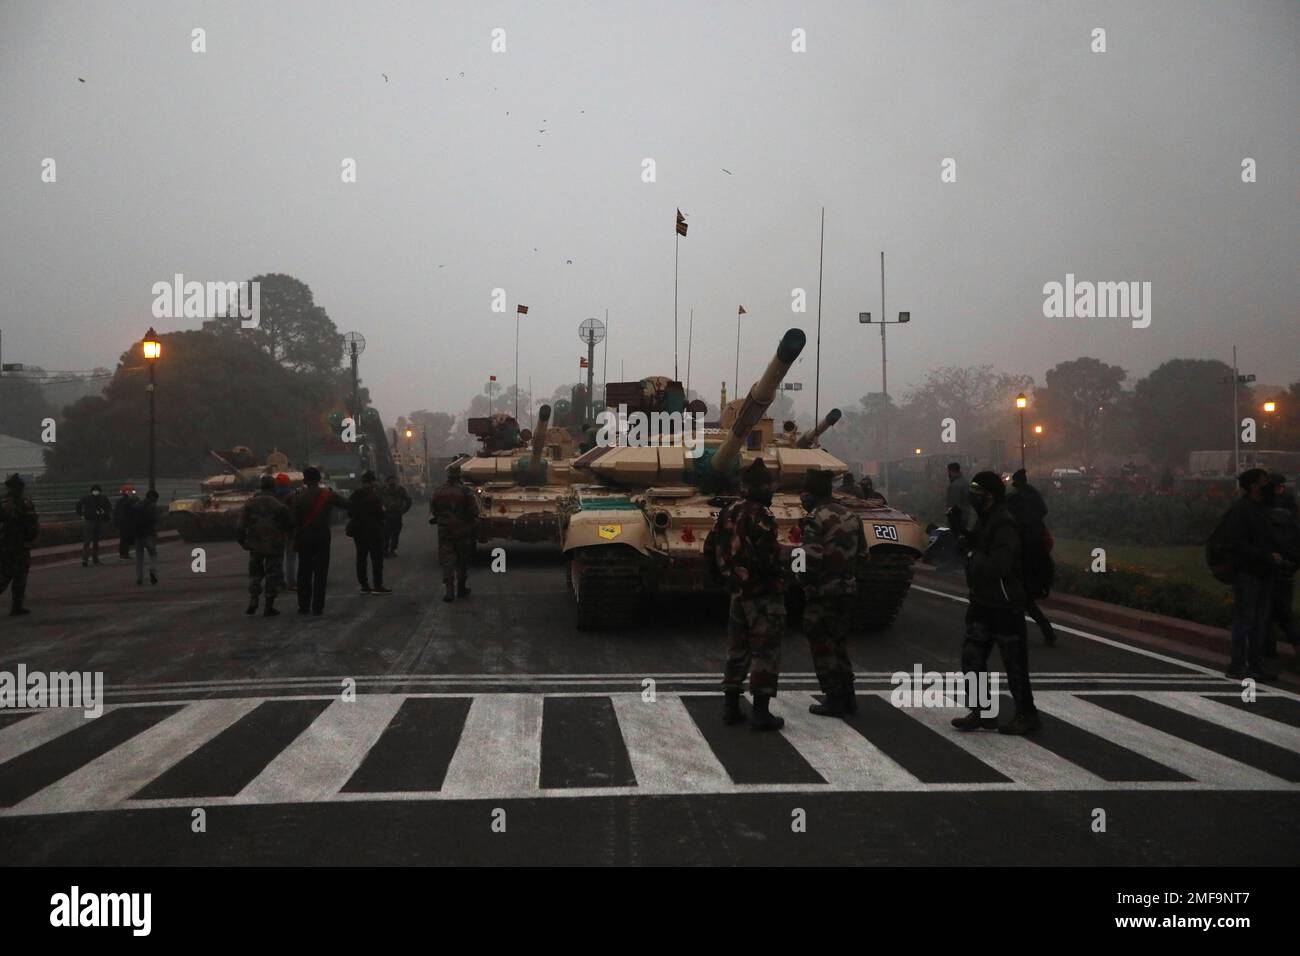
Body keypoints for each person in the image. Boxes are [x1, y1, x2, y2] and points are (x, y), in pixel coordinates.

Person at [952, 471, 1040, 735]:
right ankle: (982, 712)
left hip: (1005, 604)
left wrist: (970, 553)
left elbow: (997, 566)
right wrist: (960, 533)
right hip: (983, 601)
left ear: (989, 496)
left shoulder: (1004, 524)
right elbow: (980, 547)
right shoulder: (987, 520)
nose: (973, 498)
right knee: (972, 657)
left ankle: (1027, 714)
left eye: (977, 493)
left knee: (1014, 663)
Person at [716, 458, 786, 731]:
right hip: (762, 593)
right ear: (760, 485)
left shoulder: (728, 510)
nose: (772, 489)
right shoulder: (762, 516)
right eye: (769, 484)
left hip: (737, 591)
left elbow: (713, 546)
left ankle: (731, 707)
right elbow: (768, 558)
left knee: (737, 650)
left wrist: (727, 578)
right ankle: (760, 712)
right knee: (765, 651)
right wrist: (779, 580)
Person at [798, 469, 867, 717]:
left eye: (804, 492)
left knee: (822, 644)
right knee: (839, 642)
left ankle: (834, 698)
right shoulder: (851, 515)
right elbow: (863, 554)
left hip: (822, 591)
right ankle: (849, 696)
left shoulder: (815, 518)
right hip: (847, 588)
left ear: (811, 493)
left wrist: (800, 579)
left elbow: (810, 559)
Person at [1220, 468, 1283, 679]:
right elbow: (1236, 543)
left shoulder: (1262, 508)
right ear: (1254, 486)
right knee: (1245, 620)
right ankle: (1238, 664)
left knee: (1259, 621)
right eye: (1264, 481)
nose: (1269, 485)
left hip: (1264, 571)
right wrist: (1265, 555)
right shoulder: (1241, 510)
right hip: (1247, 572)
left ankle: (1256, 664)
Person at [1006, 468, 1057, 646]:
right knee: (1025, 596)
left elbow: (1005, 518)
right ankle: (1045, 630)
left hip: (1021, 551)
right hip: (1037, 549)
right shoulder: (1035, 497)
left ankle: (1018, 633)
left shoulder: (1013, 499)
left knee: (1018, 595)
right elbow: (1044, 512)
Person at [237, 475, 294, 617]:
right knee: (272, 574)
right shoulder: (278, 505)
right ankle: (269, 606)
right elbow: (289, 524)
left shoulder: (249, 503)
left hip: (255, 544)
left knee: (255, 574)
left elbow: (240, 525)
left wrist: (242, 541)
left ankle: (253, 599)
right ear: (273, 487)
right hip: (274, 544)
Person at [291, 467, 345, 615]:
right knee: (321, 572)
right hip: (322, 535)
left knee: (304, 572)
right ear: (319, 479)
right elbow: (345, 504)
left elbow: (293, 519)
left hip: (304, 536)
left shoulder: (298, 496)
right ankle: (318, 606)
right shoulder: (327, 494)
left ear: (304, 480)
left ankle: (303, 605)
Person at [429, 463, 479, 602]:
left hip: (445, 530)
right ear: (459, 475)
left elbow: (433, 512)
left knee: (447, 561)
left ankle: (449, 592)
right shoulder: (465, 491)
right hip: (462, 530)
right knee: (462, 560)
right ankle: (461, 588)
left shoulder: (438, 491)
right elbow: (474, 511)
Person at [1266, 473, 1299, 658]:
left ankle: (1268, 656)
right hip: (1286, 571)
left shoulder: (1266, 509)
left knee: (1266, 615)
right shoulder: (1290, 512)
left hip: (1270, 569)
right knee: (1285, 613)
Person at [0, 474, 39, 616]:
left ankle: (17, 607)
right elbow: (32, 525)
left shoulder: (3, 503)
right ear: (21, 488)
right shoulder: (25, 503)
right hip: (20, 545)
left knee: (4, 574)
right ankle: (16, 606)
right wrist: (32, 539)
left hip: (4, 545)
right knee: (19, 577)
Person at [346, 471, 390, 594]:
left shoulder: (355, 495)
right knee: (376, 559)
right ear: (371, 482)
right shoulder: (374, 496)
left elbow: (349, 512)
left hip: (358, 531)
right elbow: (381, 514)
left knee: (361, 558)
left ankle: (364, 586)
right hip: (373, 530)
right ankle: (378, 585)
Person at [76, 484, 112, 566]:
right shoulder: (102, 498)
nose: (96, 491)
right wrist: (104, 514)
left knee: (88, 542)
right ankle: (93, 559)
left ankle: (86, 560)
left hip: (91, 521)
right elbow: (109, 508)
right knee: (93, 542)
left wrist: (81, 514)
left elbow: (78, 505)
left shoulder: (87, 498)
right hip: (95, 521)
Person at [273, 473, 297, 591]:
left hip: (276, 530)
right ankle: (291, 583)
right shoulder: (292, 496)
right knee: (291, 558)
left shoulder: (272, 497)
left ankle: (279, 582)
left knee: (278, 558)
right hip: (290, 530)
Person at [132, 490, 160, 586]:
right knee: (153, 553)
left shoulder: (136, 505)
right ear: (154, 498)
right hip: (148, 534)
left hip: (137, 534)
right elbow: (155, 520)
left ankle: (139, 578)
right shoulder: (152, 506)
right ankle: (152, 570)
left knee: (139, 558)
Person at [380, 475, 413, 558]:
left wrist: (403, 510)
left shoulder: (400, 490)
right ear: (387, 482)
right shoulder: (383, 490)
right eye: (390, 481)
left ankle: (392, 550)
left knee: (395, 534)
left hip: (397, 515)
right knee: (386, 535)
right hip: (386, 515)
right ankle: (385, 551)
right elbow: (377, 501)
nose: (392, 483)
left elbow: (408, 500)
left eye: (394, 481)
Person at [945, 462, 972, 533]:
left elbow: (953, 504)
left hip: (957, 519)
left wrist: (951, 518)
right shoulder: (965, 482)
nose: (948, 474)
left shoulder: (955, 485)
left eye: (948, 471)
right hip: (965, 516)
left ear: (951, 471)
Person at [114, 485, 137, 559]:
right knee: (125, 538)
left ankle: (124, 553)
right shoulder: (128, 500)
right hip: (125, 522)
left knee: (124, 538)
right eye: (130, 491)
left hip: (123, 522)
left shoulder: (121, 501)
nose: (131, 492)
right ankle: (124, 553)